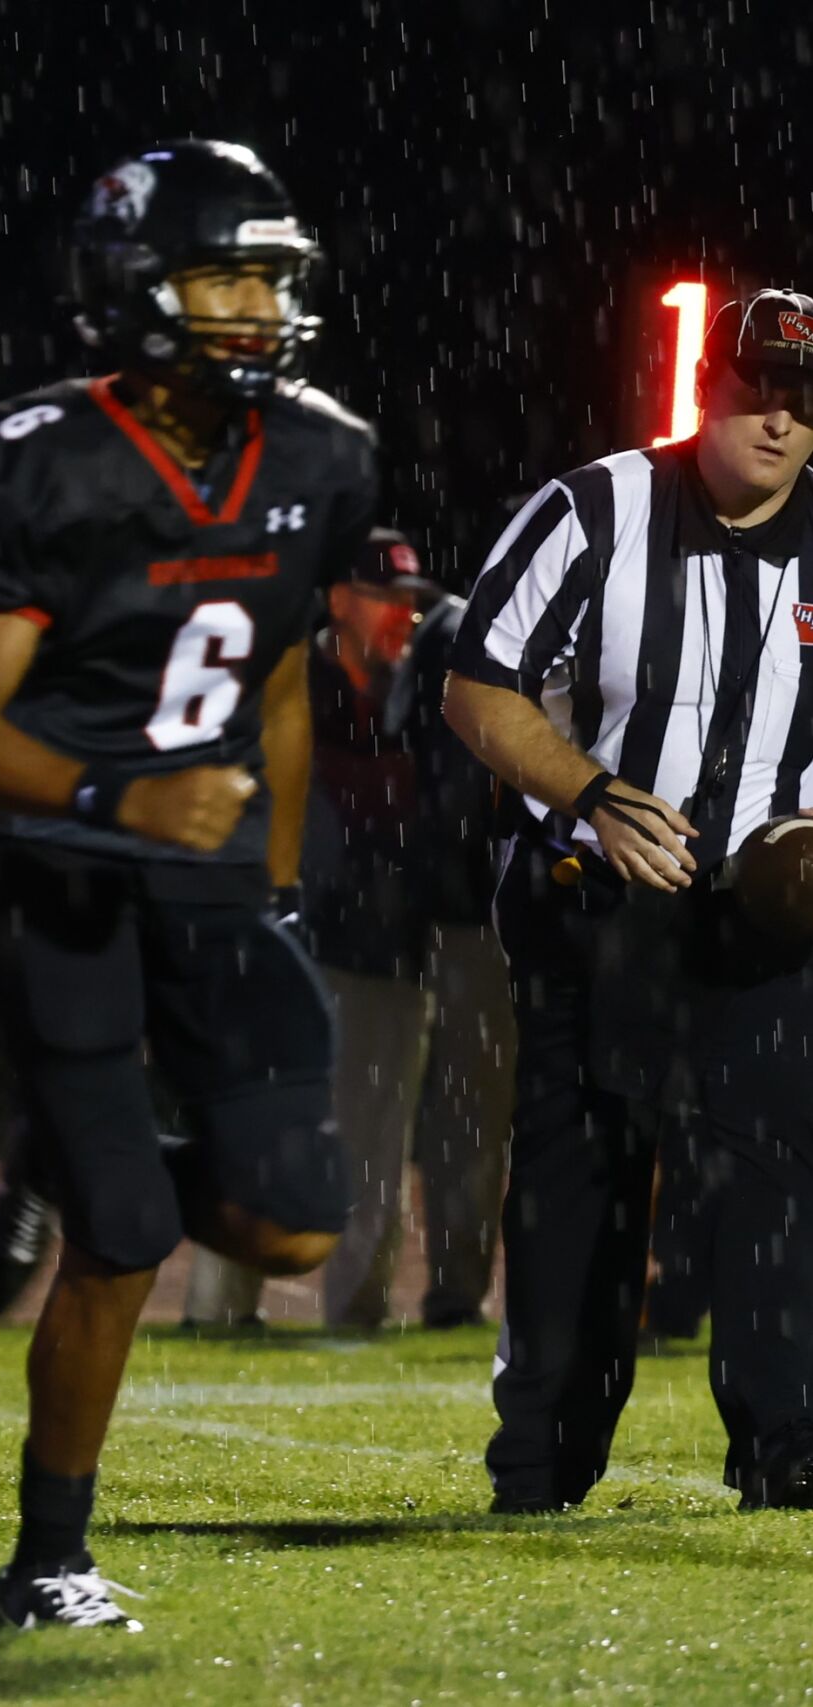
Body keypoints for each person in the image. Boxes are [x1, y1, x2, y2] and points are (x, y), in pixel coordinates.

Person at [0, 139, 378, 1630]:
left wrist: (280, 881)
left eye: (267, 275)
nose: (254, 304)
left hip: (213, 877)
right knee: (131, 1232)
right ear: (136, 288)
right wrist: (121, 792)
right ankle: (44, 1557)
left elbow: (289, 684)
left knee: (296, 1224)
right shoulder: (43, 456)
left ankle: (66, 1171)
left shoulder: (318, 452)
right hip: (65, 869)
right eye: (223, 272)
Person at [445, 287, 813, 1512]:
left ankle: (787, 1450)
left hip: (772, 913)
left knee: (780, 1172)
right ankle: (542, 1459)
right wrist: (594, 793)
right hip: (597, 898)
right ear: (707, 382)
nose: (777, 414)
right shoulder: (597, 506)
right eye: (755, 384)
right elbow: (478, 688)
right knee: (582, 1178)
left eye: (803, 398)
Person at [183, 529, 513, 1332]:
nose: (402, 613)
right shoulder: (299, 676)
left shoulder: (414, 682)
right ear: (339, 601)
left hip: (380, 933)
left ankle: (359, 1310)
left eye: (409, 600)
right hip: (297, 925)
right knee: (278, 1112)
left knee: (377, 1131)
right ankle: (219, 1307)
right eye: (383, 598)